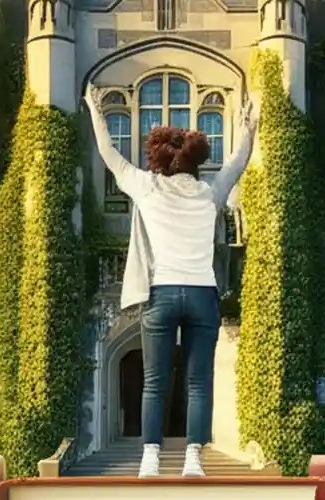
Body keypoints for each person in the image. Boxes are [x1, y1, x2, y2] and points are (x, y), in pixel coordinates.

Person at [83, 83, 259, 477]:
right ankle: (193, 458)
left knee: (154, 381)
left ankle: (150, 457)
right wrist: (249, 127)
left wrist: (96, 111)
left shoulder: (147, 188)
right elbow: (238, 162)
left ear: (159, 161)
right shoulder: (209, 193)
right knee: (198, 382)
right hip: (202, 296)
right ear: (196, 162)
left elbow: (109, 156)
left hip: (162, 294)